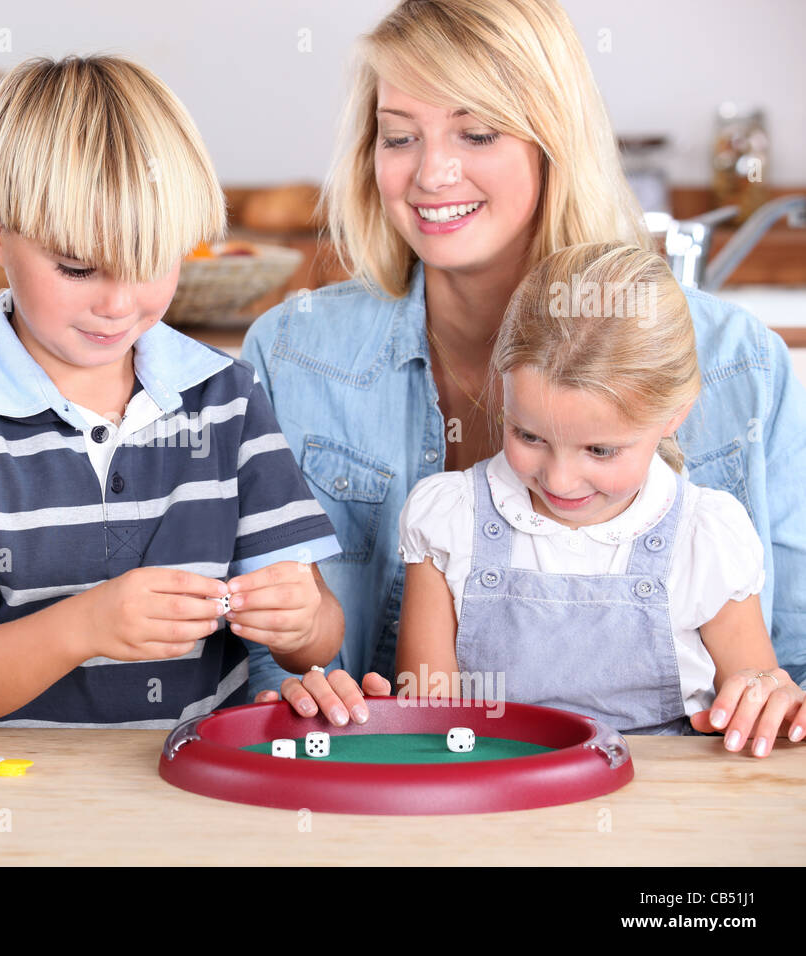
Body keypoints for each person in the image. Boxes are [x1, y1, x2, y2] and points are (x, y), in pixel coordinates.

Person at [242, 0, 806, 726]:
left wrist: (777, 701)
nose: (431, 173)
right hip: (396, 792)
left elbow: (791, 660)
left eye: (477, 132)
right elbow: (265, 655)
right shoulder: (293, 355)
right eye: (399, 137)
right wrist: (301, 684)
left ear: (553, 142)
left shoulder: (738, 363)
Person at [0, 55, 344, 729]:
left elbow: (319, 637)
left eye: (152, 261)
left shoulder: (227, 398)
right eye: (77, 267)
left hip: (200, 781)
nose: (118, 305)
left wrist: (302, 622)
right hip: (19, 794)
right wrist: (85, 625)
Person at [395, 242, 805, 753]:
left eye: (600, 449)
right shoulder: (448, 519)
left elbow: (759, 705)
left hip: (665, 814)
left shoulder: (705, 535)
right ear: (504, 388)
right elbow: (429, 727)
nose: (561, 480)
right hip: (499, 811)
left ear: (673, 414)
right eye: (529, 437)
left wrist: (775, 702)